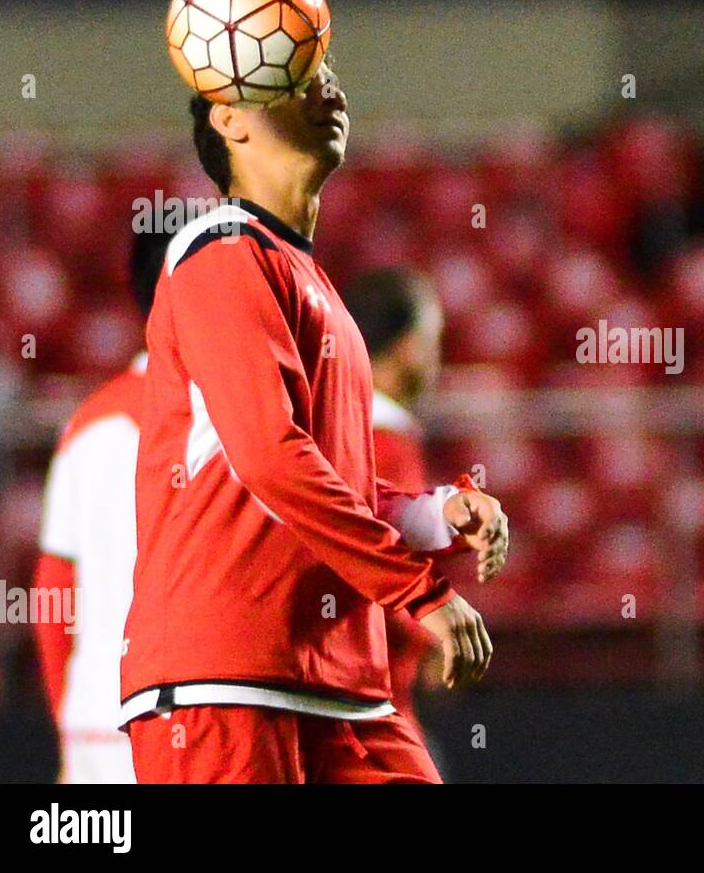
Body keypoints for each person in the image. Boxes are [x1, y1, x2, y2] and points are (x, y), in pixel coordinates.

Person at [121, 60, 508, 783]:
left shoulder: (315, 285)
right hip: (225, 679)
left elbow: (337, 486)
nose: (330, 85)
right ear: (229, 120)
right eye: (296, 76)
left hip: (341, 684)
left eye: (328, 70)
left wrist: (437, 517)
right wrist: (419, 592)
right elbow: (271, 461)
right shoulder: (216, 252)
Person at [342, 269, 505, 749]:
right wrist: (427, 629)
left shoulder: (328, 427)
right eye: (432, 339)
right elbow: (378, 554)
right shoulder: (384, 441)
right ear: (411, 346)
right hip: (370, 695)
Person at [33, 230, 171, 783]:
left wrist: (69, 719)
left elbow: (53, 589)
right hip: (197, 727)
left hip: (96, 723)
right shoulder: (241, 424)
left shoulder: (87, 423)